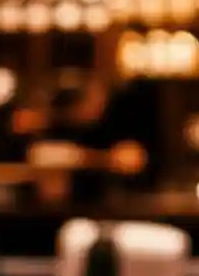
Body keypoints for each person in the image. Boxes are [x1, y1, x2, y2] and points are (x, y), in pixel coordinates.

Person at [36, 75, 148, 205]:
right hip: (69, 206)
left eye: (101, 98)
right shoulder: (57, 128)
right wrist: (105, 159)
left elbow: (133, 159)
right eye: (92, 98)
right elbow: (43, 155)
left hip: (106, 204)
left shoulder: (113, 125)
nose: (98, 103)